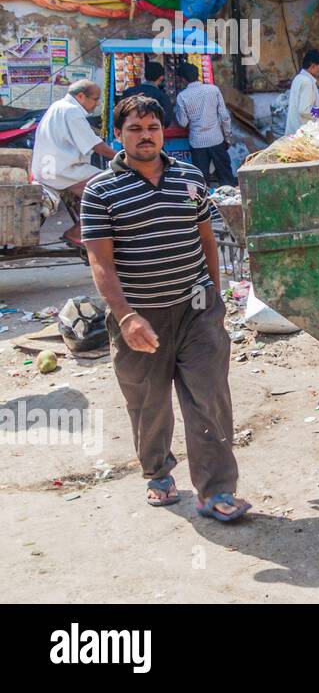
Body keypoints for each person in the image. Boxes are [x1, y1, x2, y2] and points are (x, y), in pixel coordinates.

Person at [81, 94, 249, 522]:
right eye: (135, 129)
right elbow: (100, 260)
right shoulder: (100, 192)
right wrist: (125, 315)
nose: (145, 136)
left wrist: (213, 292)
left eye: (152, 128)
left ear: (163, 132)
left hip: (196, 310)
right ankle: (158, 473)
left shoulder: (191, 178)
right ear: (118, 135)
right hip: (139, 317)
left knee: (209, 397)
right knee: (149, 403)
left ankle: (216, 491)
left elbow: (206, 239)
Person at [29, 79, 116, 246]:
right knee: (109, 188)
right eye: (95, 99)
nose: (97, 104)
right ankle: (77, 232)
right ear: (81, 96)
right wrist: (120, 157)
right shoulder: (72, 111)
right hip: (63, 171)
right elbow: (94, 144)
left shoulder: (58, 106)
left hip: (50, 168)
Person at [174, 62, 235, 188]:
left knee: (201, 181)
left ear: (183, 79)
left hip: (197, 143)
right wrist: (227, 136)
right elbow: (225, 116)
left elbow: (183, 123)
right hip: (216, 139)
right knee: (226, 177)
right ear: (198, 75)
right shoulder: (213, 89)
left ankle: (205, 204)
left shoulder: (182, 97)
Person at [120, 61, 174, 128]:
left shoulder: (128, 92)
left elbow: (120, 115)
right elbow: (167, 121)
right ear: (161, 77)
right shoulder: (162, 96)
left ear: (145, 76)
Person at [286, 50, 319, 137]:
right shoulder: (307, 82)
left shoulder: (299, 78)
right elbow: (304, 111)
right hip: (301, 132)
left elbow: (302, 98)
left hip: (295, 129)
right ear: (313, 66)